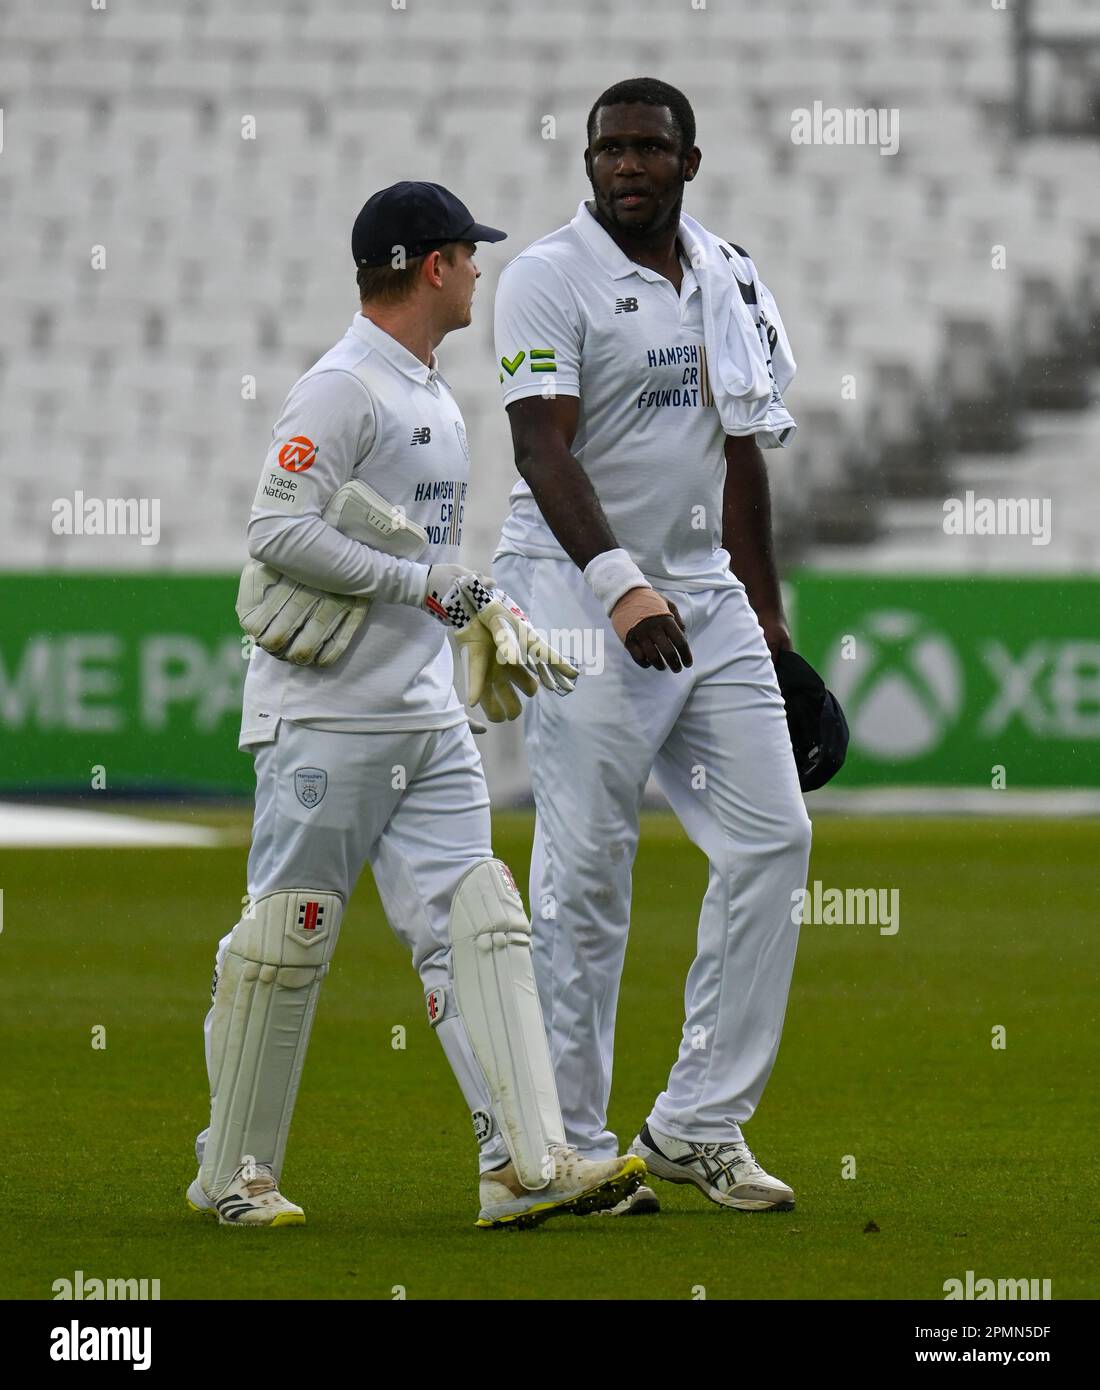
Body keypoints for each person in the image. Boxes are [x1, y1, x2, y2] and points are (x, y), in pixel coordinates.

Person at [187, 181, 644, 1229]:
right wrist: (430, 586)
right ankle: (233, 1171)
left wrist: (474, 603)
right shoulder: (340, 387)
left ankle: (523, 1165)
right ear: (431, 266)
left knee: (475, 923)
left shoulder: (433, 390)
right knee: (288, 935)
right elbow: (276, 531)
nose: (480, 271)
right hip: (327, 716)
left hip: (425, 716)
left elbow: (408, 552)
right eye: (468, 256)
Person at [491, 80, 813, 1215]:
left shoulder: (725, 273)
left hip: (706, 598)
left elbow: (743, 454)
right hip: (578, 596)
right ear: (586, 163)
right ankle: (567, 1148)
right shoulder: (545, 275)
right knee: (585, 870)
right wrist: (618, 587)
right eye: (607, 148)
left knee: (774, 839)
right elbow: (541, 449)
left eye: (647, 148)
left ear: (689, 160)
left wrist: (767, 620)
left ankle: (693, 1125)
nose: (625, 165)